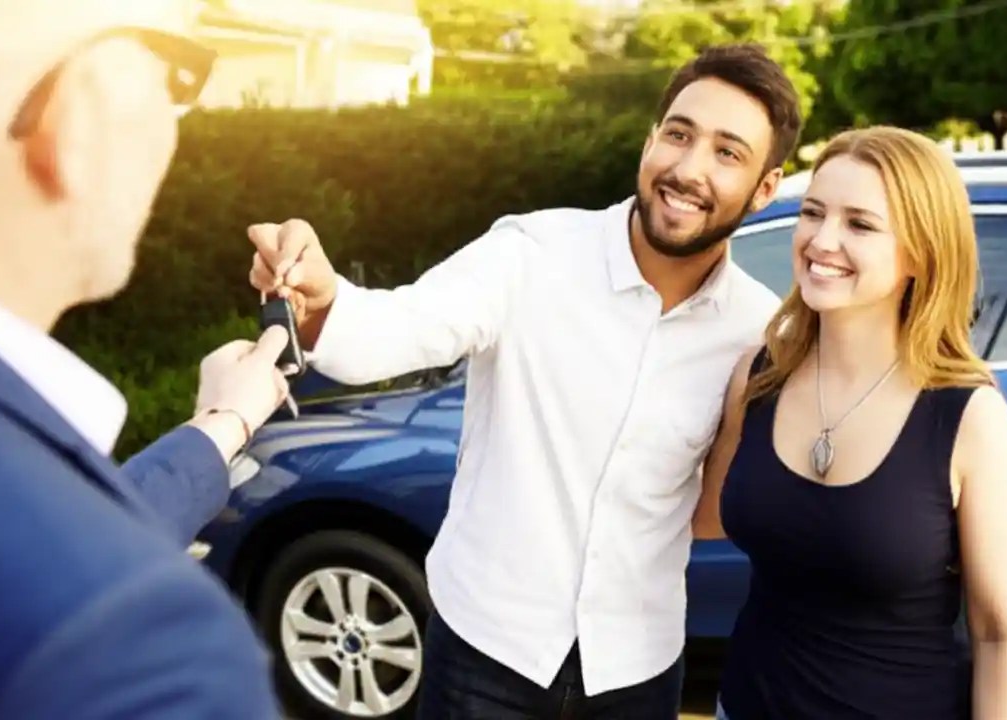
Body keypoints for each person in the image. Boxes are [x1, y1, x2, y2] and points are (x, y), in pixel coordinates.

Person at [247, 43, 802, 718]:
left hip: (638, 671)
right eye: (679, 135)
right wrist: (321, 295)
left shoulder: (755, 333)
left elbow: (718, 513)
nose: (689, 169)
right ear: (650, 140)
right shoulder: (532, 254)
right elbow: (396, 328)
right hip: (483, 656)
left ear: (766, 188)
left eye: (727, 152)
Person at [0, 1, 292, 718]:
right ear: (78, 116)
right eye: (175, 77)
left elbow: (7, 536)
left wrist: (223, 424)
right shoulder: (132, 654)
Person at [696, 126, 1007, 719]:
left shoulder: (969, 418)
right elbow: (702, 519)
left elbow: (1000, 634)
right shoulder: (758, 376)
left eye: (860, 224)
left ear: (920, 253)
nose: (822, 240)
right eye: (813, 213)